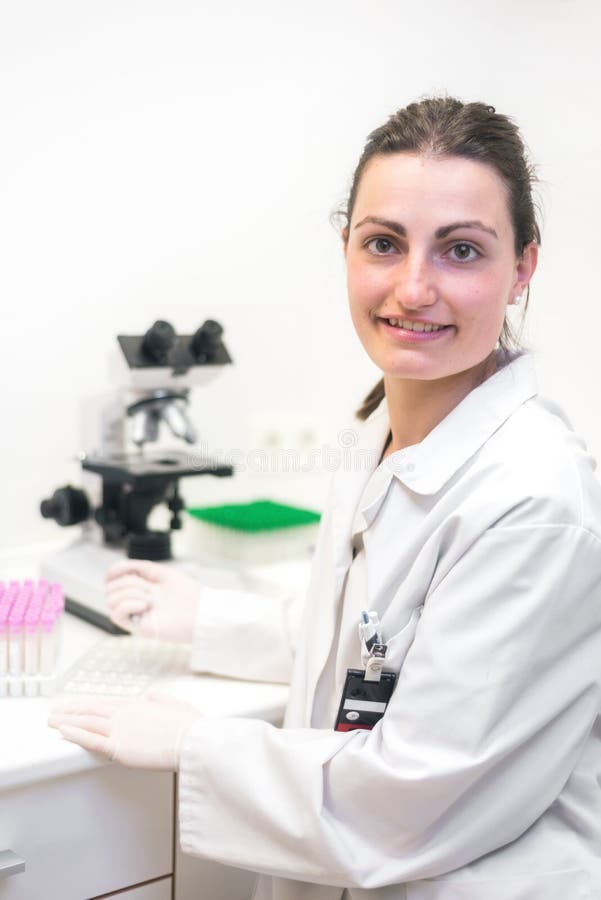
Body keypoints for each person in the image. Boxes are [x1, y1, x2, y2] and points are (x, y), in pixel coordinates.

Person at [49, 97, 601, 899]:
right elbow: (371, 645)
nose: (412, 289)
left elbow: (417, 792)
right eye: (383, 243)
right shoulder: (385, 435)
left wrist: (200, 746)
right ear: (344, 247)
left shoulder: (533, 503)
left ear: (521, 269)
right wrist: (207, 621)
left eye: (460, 251)